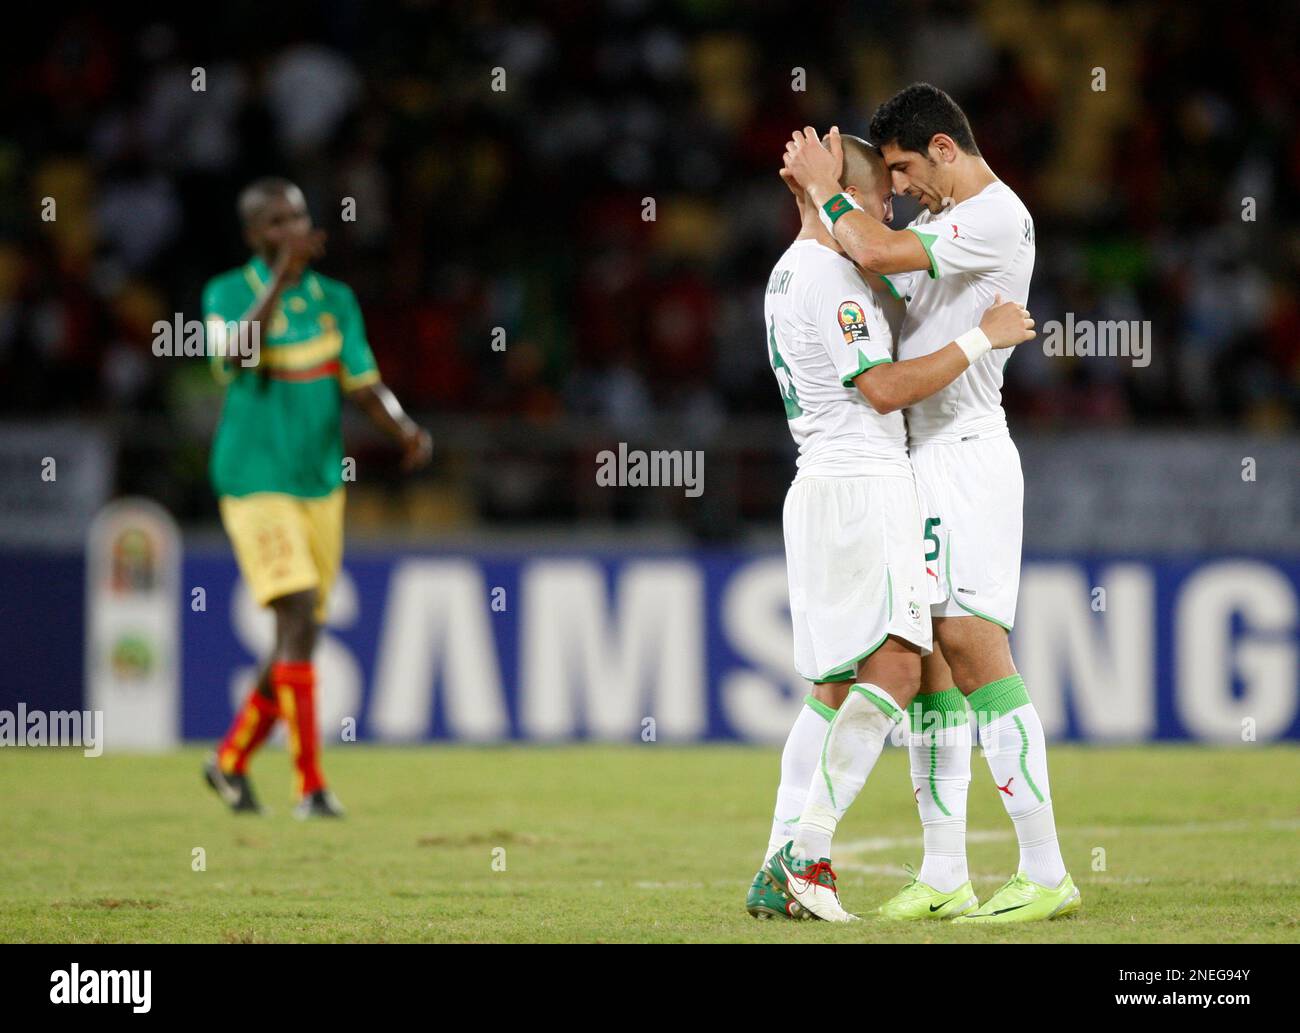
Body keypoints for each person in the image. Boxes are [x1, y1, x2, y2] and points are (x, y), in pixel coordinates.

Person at [782, 83, 1080, 923]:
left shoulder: (993, 215)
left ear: (945, 148)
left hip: (966, 455)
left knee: (973, 644)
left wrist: (822, 188)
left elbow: (871, 252)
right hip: (923, 460)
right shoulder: (945, 226)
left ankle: (1047, 867)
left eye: (909, 168)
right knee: (933, 665)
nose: (905, 187)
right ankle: (946, 868)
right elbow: (878, 269)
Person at [201, 178, 432, 819]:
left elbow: (363, 384)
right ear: (255, 235)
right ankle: (311, 788)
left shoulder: (336, 300)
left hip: (320, 484)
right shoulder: (225, 294)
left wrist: (404, 429)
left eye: (299, 216)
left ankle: (228, 762)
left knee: (297, 635)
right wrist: (277, 277)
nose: (294, 229)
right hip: (254, 481)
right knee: (298, 611)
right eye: (277, 222)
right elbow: (238, 359)